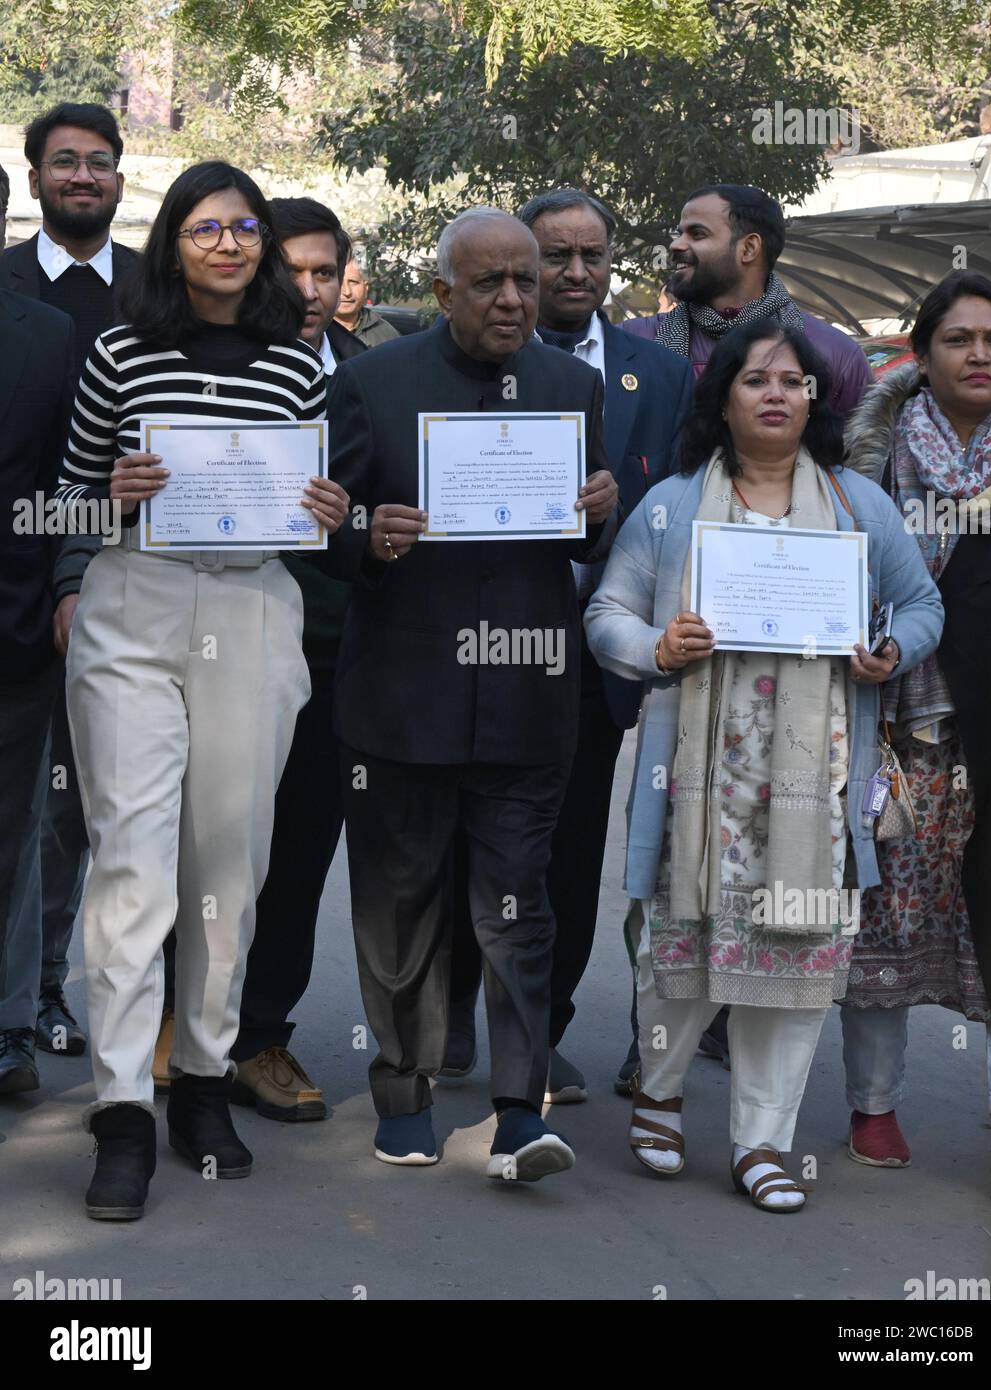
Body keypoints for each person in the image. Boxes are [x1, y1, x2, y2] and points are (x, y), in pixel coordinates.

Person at [585, 320, 943, 1210]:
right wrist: (658, 645)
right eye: (754, 380)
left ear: (815, 399)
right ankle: (659, 1096)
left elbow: (920, 602)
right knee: (685, 941)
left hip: (814, 789)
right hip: (696, 784)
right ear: (723, 400)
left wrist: (888, 651)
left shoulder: (858, 503)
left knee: (795, 956)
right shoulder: (671, 505)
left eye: (793, 381)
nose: (776, 393)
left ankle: (762, 1141)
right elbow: (606, 612)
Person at [56, 160, 348, 1220]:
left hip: (253, 606)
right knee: (133, 859)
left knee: (231, 858)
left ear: (262, 244)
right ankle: (124, 1109)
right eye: (205, 226)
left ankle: (206, 1082)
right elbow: (69, 499)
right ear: (174, 237)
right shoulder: (119, 350)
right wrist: (107, 493)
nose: (227, 243)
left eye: (244, 228)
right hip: (135, 601)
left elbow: (318, 513)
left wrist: (326, 505)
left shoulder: (297, 361)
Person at [328, 207, 618, 1179]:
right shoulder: (371, 382)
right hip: (404, 696)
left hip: (529, 693)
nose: (512, 298)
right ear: (443, 290)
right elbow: (322, 525)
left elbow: (580, 544)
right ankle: (403, 1093)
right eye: (490, 282)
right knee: (400, 907)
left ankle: (518, 1109)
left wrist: (598, 513)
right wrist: (369, 535)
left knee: (515, 907)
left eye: (526, 282)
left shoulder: (572, 386)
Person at [443, 188, 694, 1105]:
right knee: (461, 846)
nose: (576, 273)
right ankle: (448, 1015)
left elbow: (674, 513)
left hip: (593, 663)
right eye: (556, 256)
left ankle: (539, 1039)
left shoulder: (656, 376)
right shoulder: (457, 366)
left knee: (567, 851)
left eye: (593, 255)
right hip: (469, 647)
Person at [839, 271, 991, 1199]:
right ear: (924, 352)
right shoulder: (868, 458)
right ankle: (872, 1104)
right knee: (884, 911)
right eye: (958, 339)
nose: (979, 354)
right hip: (895, 718)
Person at [0, 102, 139, 1071]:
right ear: (36, 180)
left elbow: (74, 476)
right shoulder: (13, 293)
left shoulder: (154, 290)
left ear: (119, 180)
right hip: (44, 583)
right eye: (65, 163)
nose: (81, 177)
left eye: (98, 163)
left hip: (98, 581)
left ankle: (44, 987)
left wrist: (71, 575)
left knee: (68, 806)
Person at [228, 195, 366, 1121]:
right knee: (204, 847)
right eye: (292, 271)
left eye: (326, 272)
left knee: (299, 852)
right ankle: (175, 1020)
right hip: (219, 640)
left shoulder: (377, 376)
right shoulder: (204, 369)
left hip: (335, 653)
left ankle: (259, 1036)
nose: (309, 291)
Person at [0, 163, 77, 1093]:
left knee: (13, 840)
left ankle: (8, 1028)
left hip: (12, 634)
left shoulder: (48, 336)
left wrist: (56, 594)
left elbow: (71, 486)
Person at [625, 185, 871, 420]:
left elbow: (861, 456)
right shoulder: (632, 344)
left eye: (697, 234)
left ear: (749, 248)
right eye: (680, 233)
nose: (676, 245)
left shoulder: (835, 354)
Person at [335, 254, 400, 347]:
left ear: (366, 288)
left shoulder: (386, 335)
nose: (347, 292)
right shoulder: (312, 333)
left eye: (353, 282)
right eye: (339, 282)